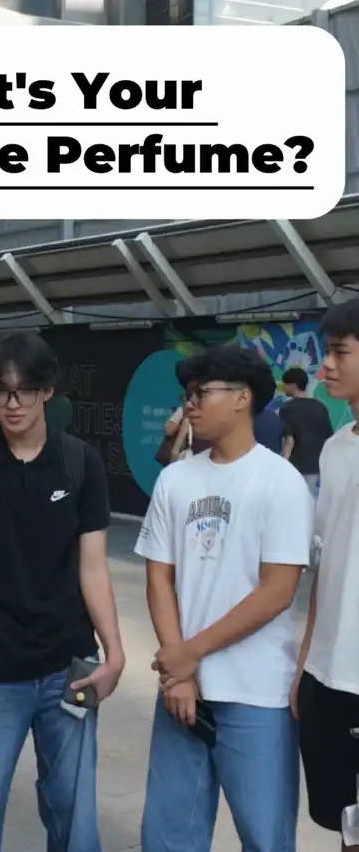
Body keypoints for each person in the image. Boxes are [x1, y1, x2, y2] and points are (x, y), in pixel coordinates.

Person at [0, 330, 125, 852]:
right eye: (1, 392)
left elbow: (92, 569)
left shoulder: (80, 463)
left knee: (75, 816)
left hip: (69, 668)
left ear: (47, 392)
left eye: (25, 391)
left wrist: (115, 651)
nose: (12, 404)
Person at [135, 344, 313, 852]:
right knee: (169, 837)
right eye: (186, 395)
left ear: (242, 398)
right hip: (182, 691)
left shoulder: (280, 483)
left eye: (200, 393)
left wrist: (188, 654)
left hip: (255, 694)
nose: (189, 405)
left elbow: (278, 591)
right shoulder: (175, 479)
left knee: (265, 836)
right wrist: (181, 672)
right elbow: (158, 578)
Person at [292, 298, 359, 851]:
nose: (326, 366)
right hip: (330, 677)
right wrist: (305, 662)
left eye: (339, 352)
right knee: (347, 827)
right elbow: (326, 565)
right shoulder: (336, 450)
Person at [280, 365, 333, 497]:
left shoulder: (287, 408)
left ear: (293, 385)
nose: (283, 387)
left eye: (285, 383)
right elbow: (329, 439)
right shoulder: (320, 406)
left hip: (297, 467)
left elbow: (289, 441)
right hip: (318, 467)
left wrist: (282, 465)